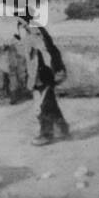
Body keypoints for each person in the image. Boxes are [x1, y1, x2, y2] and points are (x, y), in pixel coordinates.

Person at [15, 9, 69, 147]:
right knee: (49, 101)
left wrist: (57, 69)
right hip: (36, 72)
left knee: (42, 104)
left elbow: (47, 50)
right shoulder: (25, 27)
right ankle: (62, 128)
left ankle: (46, 133)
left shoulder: (34, 29)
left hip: (43, 72)